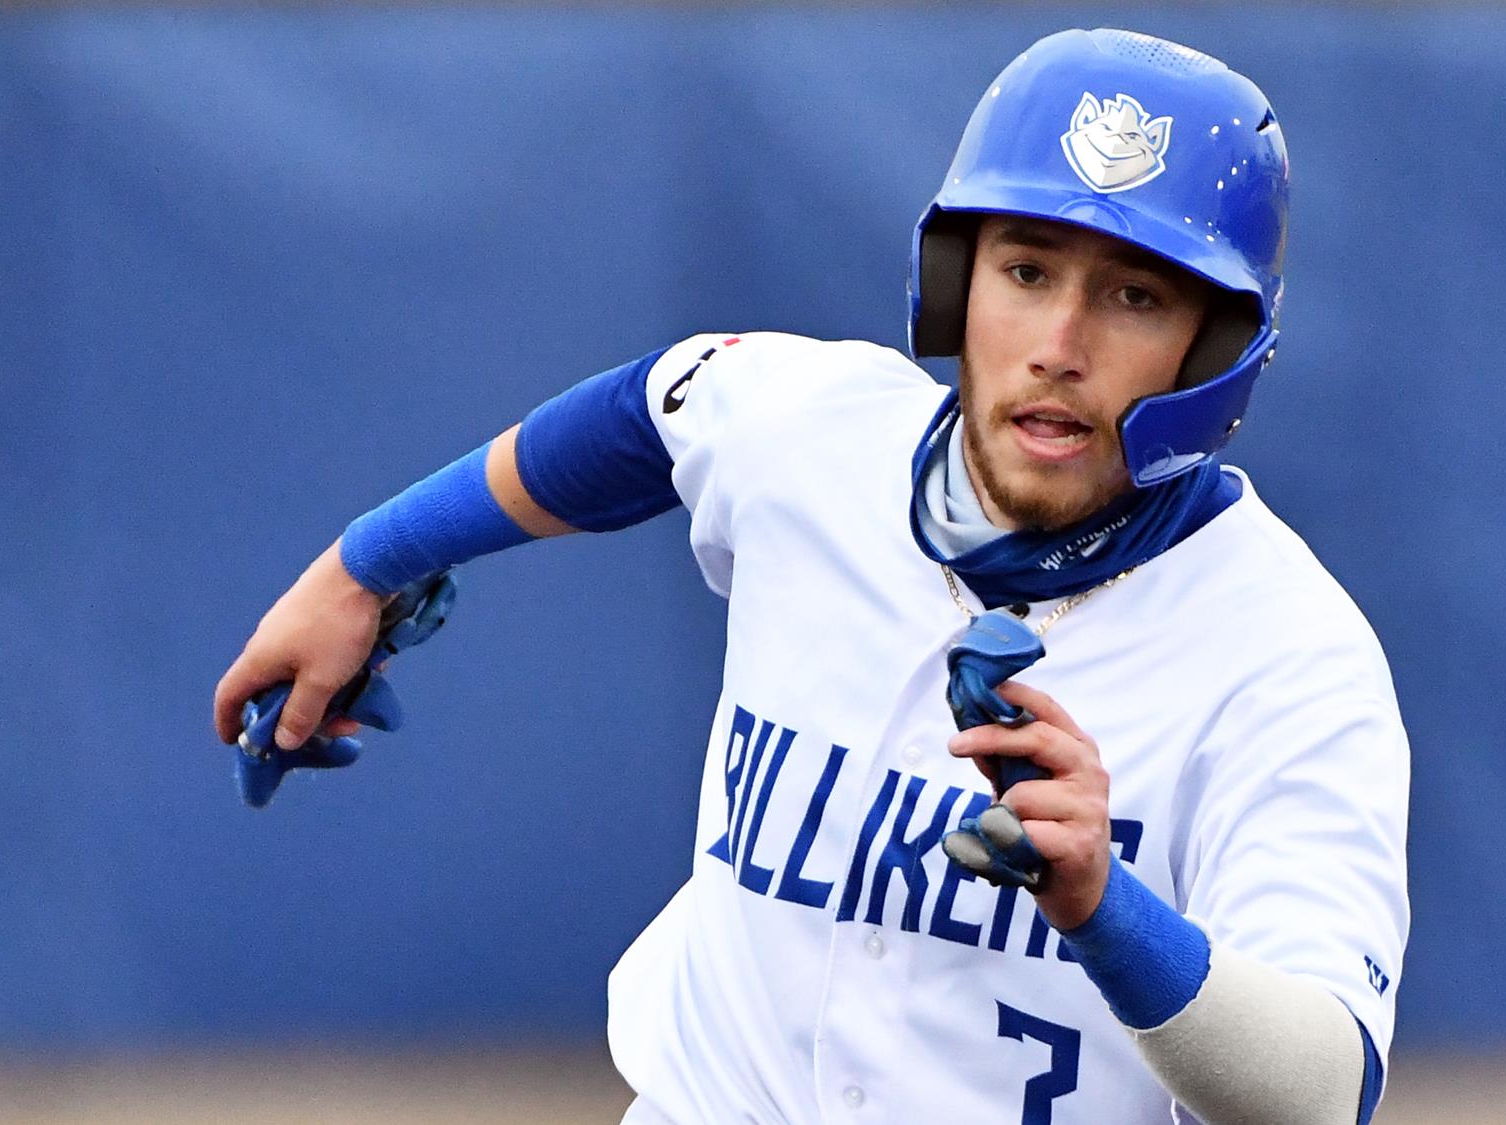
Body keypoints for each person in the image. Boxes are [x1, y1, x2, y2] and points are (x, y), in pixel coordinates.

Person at [214, 27, 1408, 1125]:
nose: (1057, 343)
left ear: (1214, 351)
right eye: (1026, 270)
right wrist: (366, 565)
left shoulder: (1287, 657)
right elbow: (648, 410)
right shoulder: (816, 431)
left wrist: (1110, 908)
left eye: (1134, 296)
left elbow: (1320, 1088)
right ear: (957, 282)